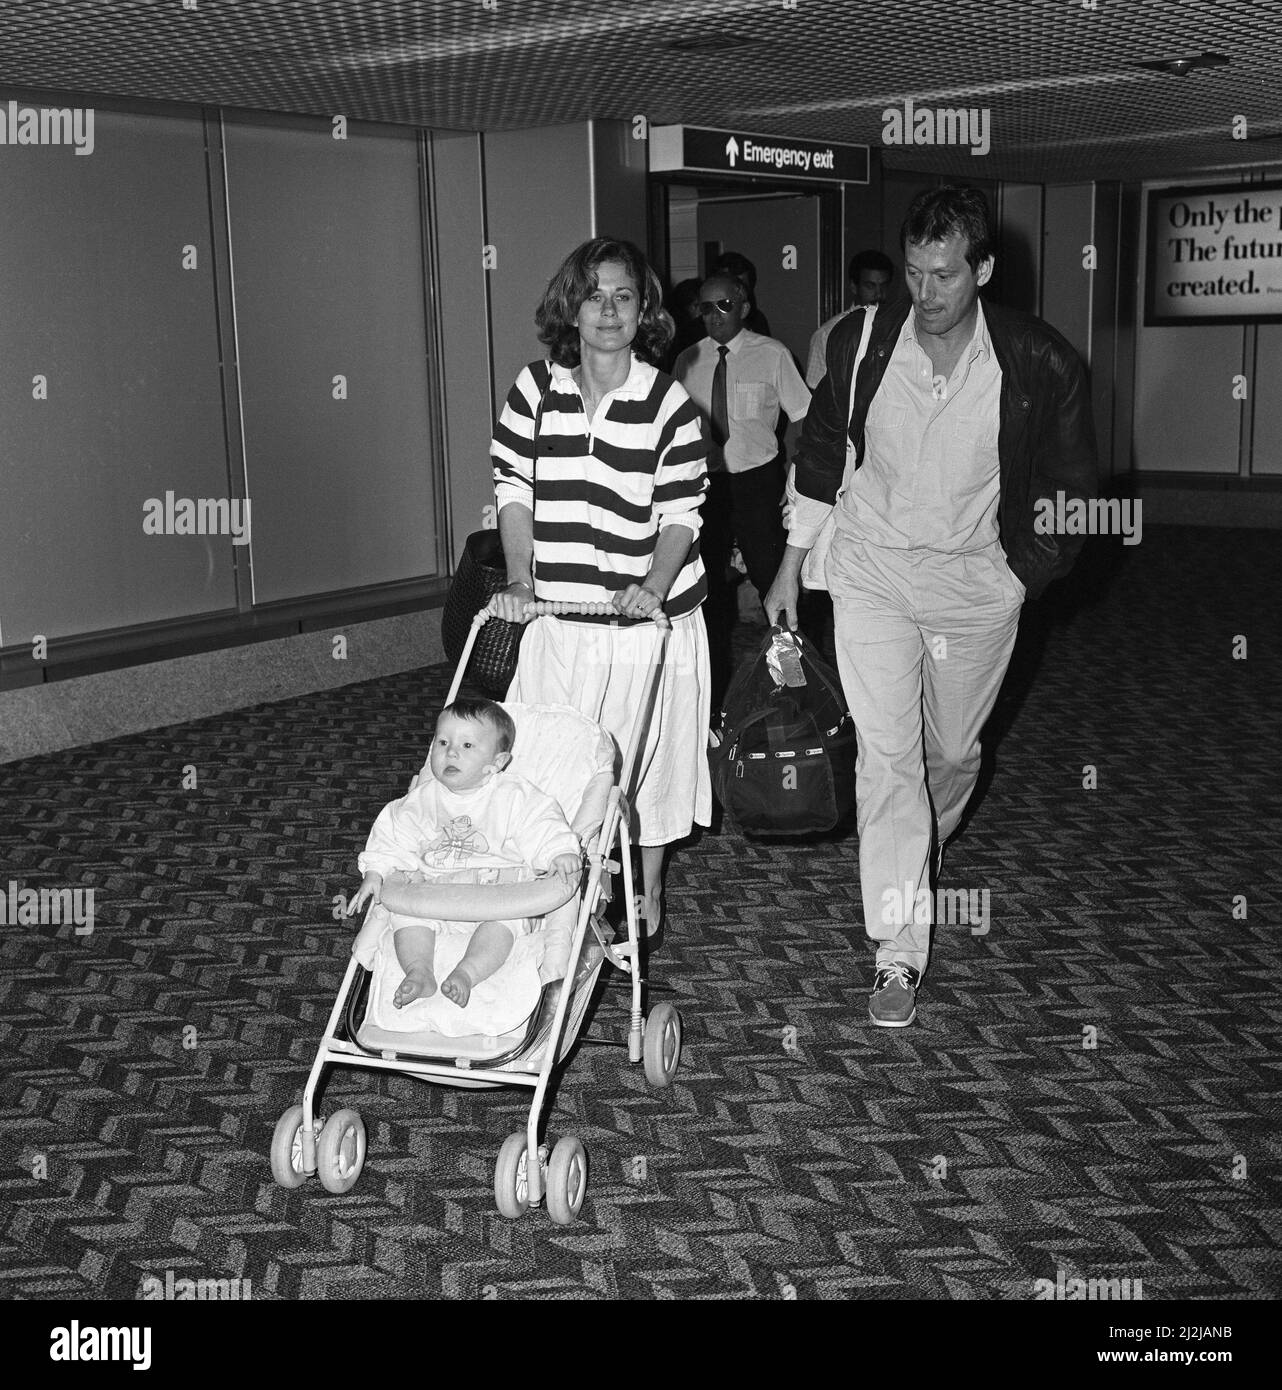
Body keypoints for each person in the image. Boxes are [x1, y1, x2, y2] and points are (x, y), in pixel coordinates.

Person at [765, 186, 1097, 1029]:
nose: (926, 292)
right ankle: (897, 951)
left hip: (974, 585)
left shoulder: (1041, 362)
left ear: (982, 269)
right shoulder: (865, 340)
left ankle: (915, 853)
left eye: (945, 275)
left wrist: (1019, 577)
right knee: (886, 761)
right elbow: (820, 454)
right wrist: (790, 564)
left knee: (947, 754)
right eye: (914, 273)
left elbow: (1070, 493)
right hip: (872, 573)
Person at [489, 236, 710, 937]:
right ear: (571, 306)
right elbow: (512, 488)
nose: (608, 310)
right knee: (544, 764)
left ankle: (645, 896)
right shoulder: (535, 389)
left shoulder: (668, 404)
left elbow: (681, 514)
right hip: (560, 618)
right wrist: (521, 579)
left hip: (645, 625)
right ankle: (562, 892)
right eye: (594, 295)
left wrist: (653, 583)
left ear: (643, 308)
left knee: (644, 769)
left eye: (623, 296)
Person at [347, 699, 581, 1019]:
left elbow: (542, 823)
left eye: (467, 745)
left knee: (505, 924)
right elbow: (392, 834)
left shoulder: (513, 796)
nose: (451, 752)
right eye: (443, 742)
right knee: (406, 917)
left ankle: (467, 973)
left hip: (497, 892)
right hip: (434, 890)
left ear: (497, 762)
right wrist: (376, 871)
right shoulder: (421, 800)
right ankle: (419, 971)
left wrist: (559, 852)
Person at [675, 272, 811, 698]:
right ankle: (707, 687)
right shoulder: (687, 360)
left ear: (744, 307)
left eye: (724, 306)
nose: (714, 316)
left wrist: (801, 473)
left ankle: (792, 681)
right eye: (705, 307)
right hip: (705, 486)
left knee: (773, 579)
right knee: (706, 585)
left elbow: (804, 415)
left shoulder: (771, 355)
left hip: (757, 481)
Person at [806, 250, 895, 388]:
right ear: (854, 287)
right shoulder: (828, 333)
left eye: (884, 286)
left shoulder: (899, 328)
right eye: (870, 286)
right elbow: (815, 390)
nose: (879, 294)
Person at [712, 251, 771, 336]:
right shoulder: (706, 321)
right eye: (733, 286)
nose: (739, 292)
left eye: (743, 286)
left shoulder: (757, 319)